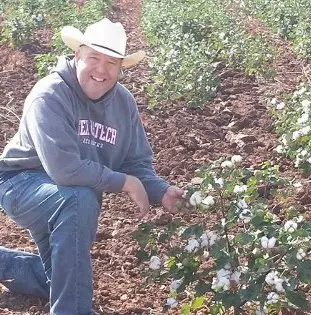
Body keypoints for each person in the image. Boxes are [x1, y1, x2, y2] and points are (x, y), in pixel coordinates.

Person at [0, 18, 183, 314]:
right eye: (94, 58)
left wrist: (159, 191)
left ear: (121, 68)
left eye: (111, 62)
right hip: (20, 183)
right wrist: (124, 182)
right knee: (80, 198)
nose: (101, 70)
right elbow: (65, 169)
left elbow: (136, 162)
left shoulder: (124, 104)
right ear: (77, 57)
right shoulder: (50, 95)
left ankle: (6, 265)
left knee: (61, 280)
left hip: (65, 193)